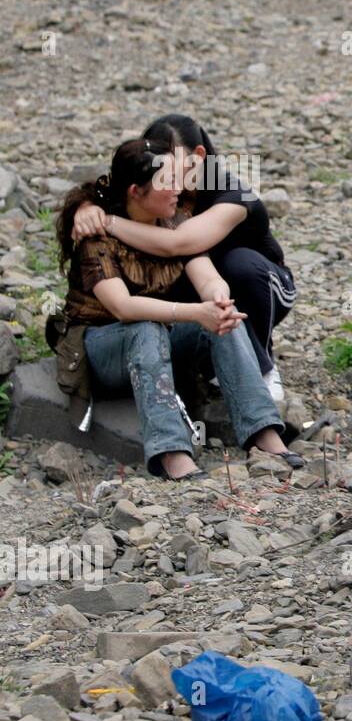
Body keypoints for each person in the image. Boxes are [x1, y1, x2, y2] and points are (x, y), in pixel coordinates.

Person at [54, 138, 303, 480]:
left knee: (221, 321)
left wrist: (218, 301)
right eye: (167, 182)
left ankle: (264, 435)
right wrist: (194, 313)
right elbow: (123, 307)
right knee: (145, 327)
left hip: (156, 341)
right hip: (100, 349)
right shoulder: (96, 238)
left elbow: (207, 277)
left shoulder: (173, 220)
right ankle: (171, 453)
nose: (178, 189)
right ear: (135, 191)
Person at [70, 115, 295, 402]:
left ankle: (264, 364)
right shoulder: (158, 184)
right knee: (180, 281)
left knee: (238, 265)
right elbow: (113, 187)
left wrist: (109, 222)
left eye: (175, 165)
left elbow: (177, 243)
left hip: (266, 285)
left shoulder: (232, 193)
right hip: (206, 283)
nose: (167, 171)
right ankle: (206, 363)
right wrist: (86, 207)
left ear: (199, 157)